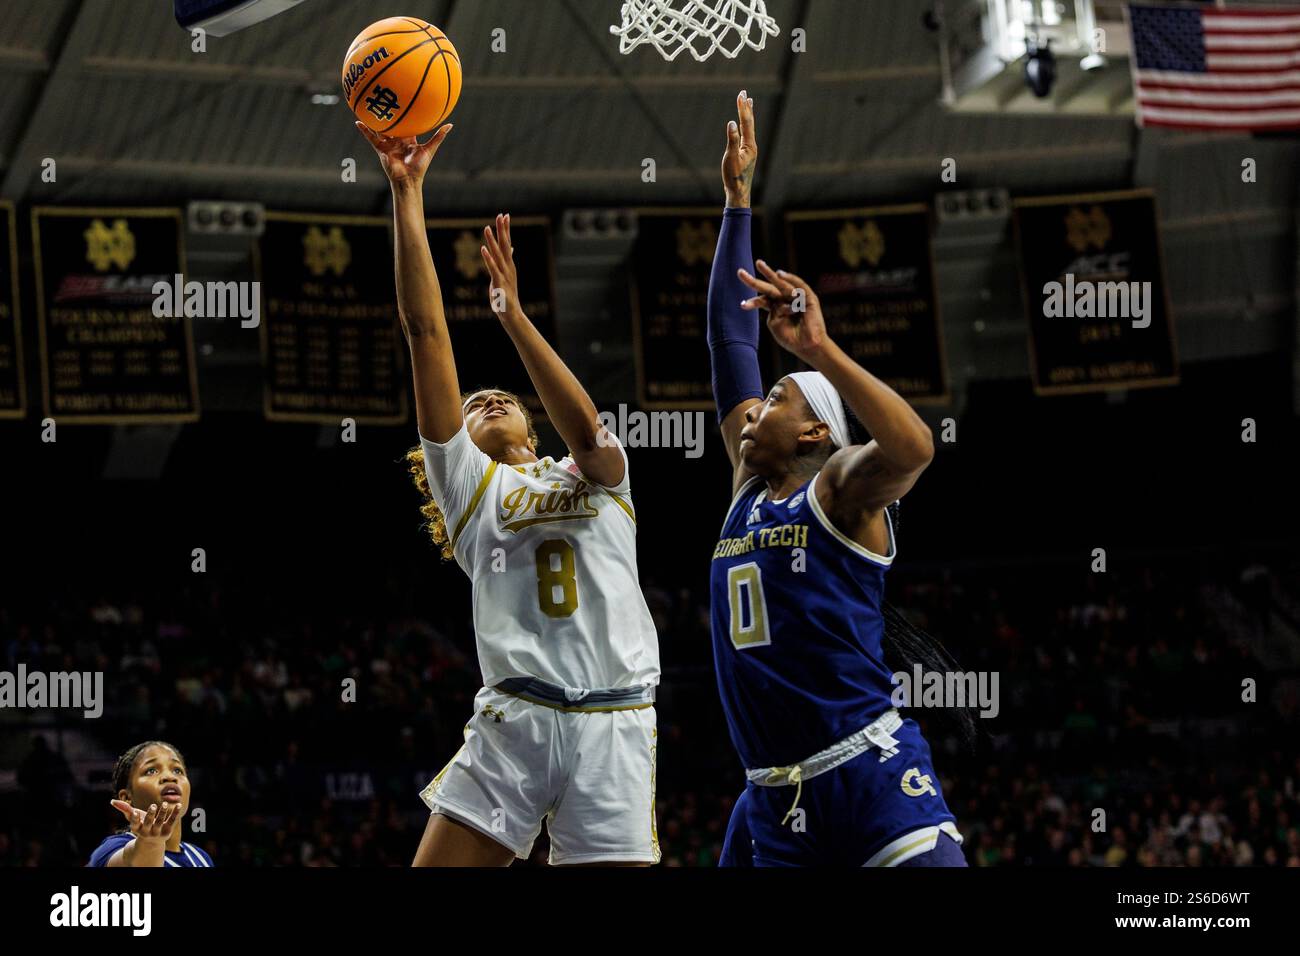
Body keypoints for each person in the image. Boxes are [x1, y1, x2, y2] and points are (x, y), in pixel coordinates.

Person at [356, 121, 661, 867]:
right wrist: (408, 194)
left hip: (615, 721)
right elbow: (425, 331)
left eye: (503, 397)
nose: (487, 398)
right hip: (516, 717)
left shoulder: (596, 478)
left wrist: (514, 317)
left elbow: (587, 432)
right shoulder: (469, 487)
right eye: (473, 402)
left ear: (531, 421)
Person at [705, 92, 967, 867]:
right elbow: (729, 340)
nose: (752, 414)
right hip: (777, 801)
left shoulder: (840, 493)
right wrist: (736, 205)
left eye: (775, 402)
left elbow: (914, 447)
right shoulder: (747, 491)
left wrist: (820, 351)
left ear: (818, 429)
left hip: (869, 776)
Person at [88, 740, 212, 867]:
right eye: (151, 771)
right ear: (126, 798)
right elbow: (133, 860)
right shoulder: (110, 849)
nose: (170, 777)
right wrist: (151, 843)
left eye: (177, 771)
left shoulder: (201, 857)